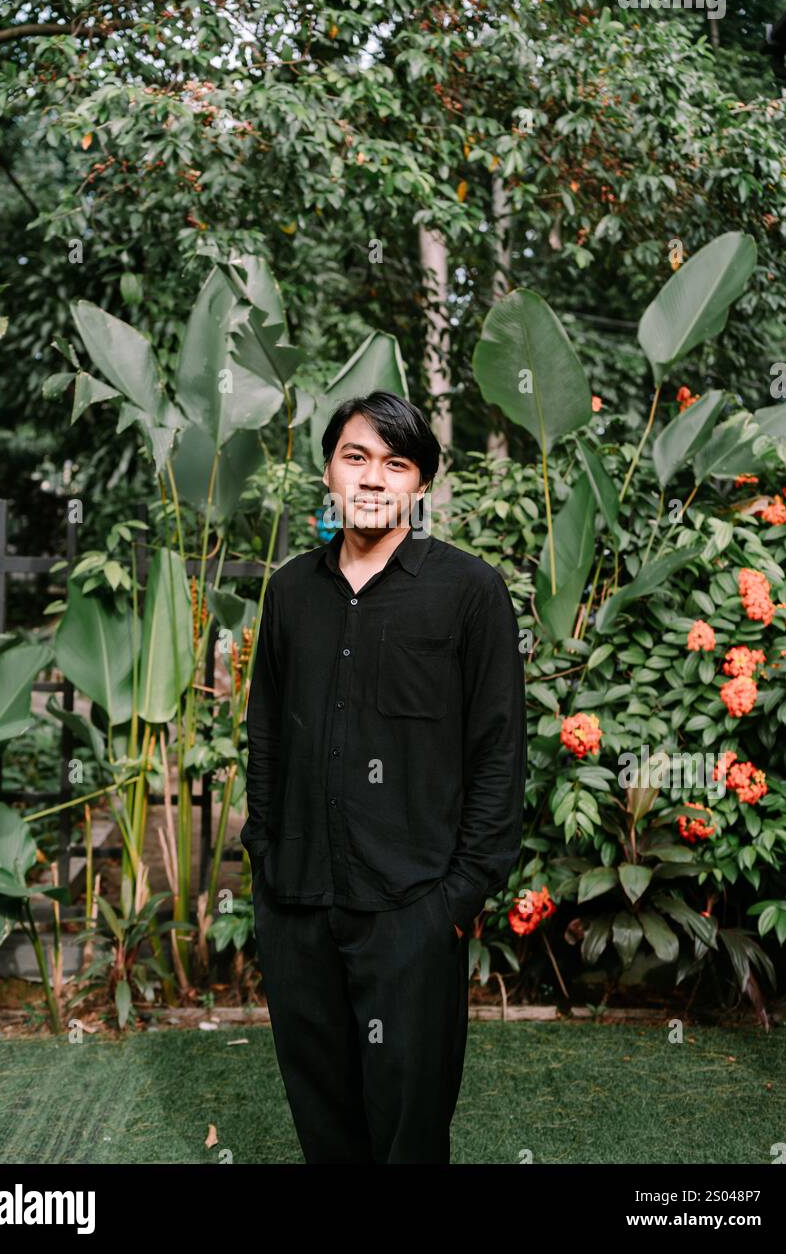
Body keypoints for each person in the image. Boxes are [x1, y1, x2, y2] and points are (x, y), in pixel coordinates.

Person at [240, 389, 526, 1164]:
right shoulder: (292, 591)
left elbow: (498, 751)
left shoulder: (468, 592)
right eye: (355, 457)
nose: (372, 478)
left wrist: (456, 899)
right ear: (329, 471)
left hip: (412, 908)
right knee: (323, 1122)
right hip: (298, 899)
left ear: (420, 485)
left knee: (408, 1127)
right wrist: (264, 858)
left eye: (394, 463)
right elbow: (263, 733)